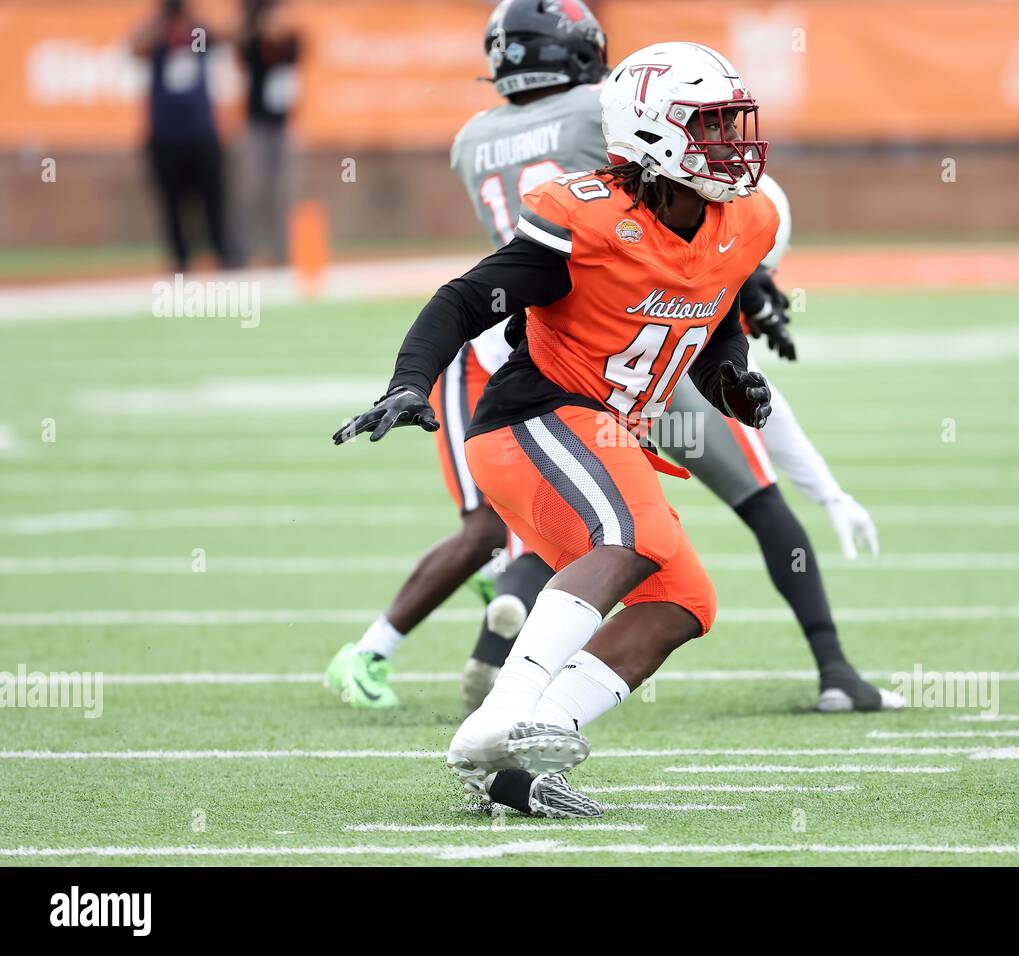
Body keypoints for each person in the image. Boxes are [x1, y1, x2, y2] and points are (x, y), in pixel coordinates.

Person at [327, 0, 899, 725]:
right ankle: (502, 709)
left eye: (729, 122)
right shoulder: (600, 161)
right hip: (566, 357)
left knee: (669, 584)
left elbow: (708, 301)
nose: (729, 139)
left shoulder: (475, 140)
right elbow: (483, 289)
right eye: (711, 124)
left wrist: (729, 367)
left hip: (587, 349)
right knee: (646, 524)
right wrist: (755, 289)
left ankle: (525, 692)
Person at [130, 0, 234, 272]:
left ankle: (221, 255)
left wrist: (192, 23)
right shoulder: (157, 37)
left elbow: (223, 38)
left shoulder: (197, 35)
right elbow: (136, 47)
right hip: (166, 135)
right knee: (172, 203)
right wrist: (160, 24)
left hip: (200, 132)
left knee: (213, 201)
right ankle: (181, 261)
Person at [234, 0, 302, 265]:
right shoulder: (252, 44)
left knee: (284, 193)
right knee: (251, 191)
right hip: (256, 126)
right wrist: (257, 29)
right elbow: (244, 54)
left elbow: (293, 52)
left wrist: (277, 31)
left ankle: (282, 253)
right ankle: (244, 252)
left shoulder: (290, 42)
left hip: (283, 127)